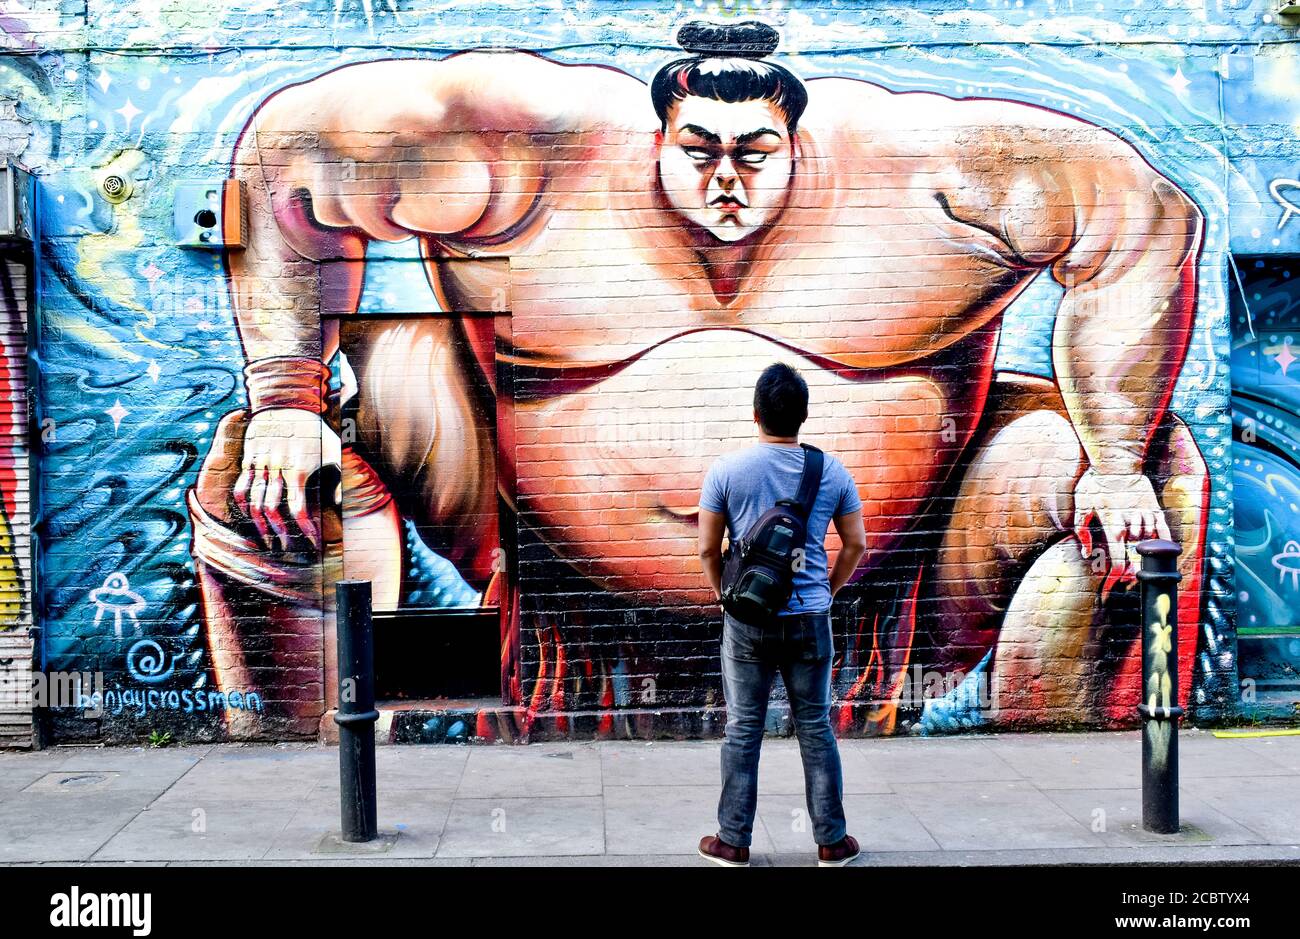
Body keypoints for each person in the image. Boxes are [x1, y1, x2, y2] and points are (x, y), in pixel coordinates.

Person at [192, 17, 1206, 735]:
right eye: (699, 151)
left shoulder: (933, 172)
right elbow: (290, 156)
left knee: (1146, 487)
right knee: (261, 467)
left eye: (755, 153)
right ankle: (323, 776)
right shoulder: (521, 148)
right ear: (658, 134)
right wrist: (285, 396)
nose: (726, 180)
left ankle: (1076, 774)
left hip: (894, 578)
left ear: (798, 139)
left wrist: (1115, 460)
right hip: (522, 537)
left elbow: (1146, 221)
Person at [696, 363, 867, 867]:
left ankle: (732, 841)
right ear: (804, 415)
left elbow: (707, 549)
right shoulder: (831, 472)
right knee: (815, 726)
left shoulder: (726, 471)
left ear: (755, 414)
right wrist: (827, 590)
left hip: (747, 620)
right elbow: (855, 544)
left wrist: (725, 596)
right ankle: (831, 841)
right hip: (810, 618)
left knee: (743, 727)